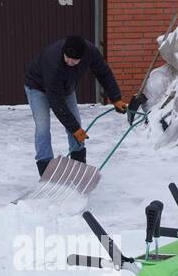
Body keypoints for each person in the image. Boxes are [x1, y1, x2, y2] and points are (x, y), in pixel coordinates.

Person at [24, 35, 127, 177]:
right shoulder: (52, 61)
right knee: (43, 128)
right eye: (67, 57)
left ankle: (78, 166)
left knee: (76, 125)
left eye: (75, 60)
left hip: (65, 89)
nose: (70, 62)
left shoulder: (90, 52)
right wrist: (74, 129)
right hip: (37, 88)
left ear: (83, 56)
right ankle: (46, 170)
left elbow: (103, 72)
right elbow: (56, 102)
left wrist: (116, 98)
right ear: (63, 51)